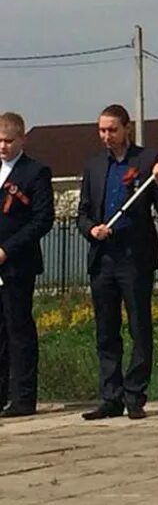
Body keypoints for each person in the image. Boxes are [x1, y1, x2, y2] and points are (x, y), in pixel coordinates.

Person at [76, 104, 158, 421]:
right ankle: (111, 396)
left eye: (112, 130)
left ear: (126, 129)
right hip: (103, 258)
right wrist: (91, 228)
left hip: (134, 258)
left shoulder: (147, 160)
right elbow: (83, 212)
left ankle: (135, 394)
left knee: (139, 327)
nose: (107, 136)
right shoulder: (93, 166)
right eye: (102, 131)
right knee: (106, 330)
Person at [0, 112, 55, 418]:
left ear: (22, 139)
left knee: (17, 328)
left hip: (16, 265)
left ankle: (22, 397)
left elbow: (43, 218)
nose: (3, 146)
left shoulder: (35, 172)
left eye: (9, 141)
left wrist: (8, 249)